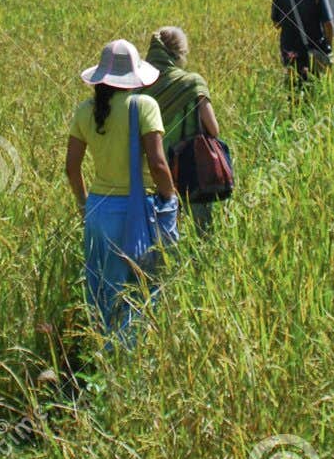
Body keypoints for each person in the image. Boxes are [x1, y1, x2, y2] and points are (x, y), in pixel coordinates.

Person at [65, 39, 178, 345]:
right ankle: (128, 359)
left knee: (103, 289)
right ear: (133, 77)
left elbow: (72, 167)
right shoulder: (144, 106)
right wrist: (170, 197)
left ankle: (99, 353)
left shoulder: (84, 111)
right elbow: (157, 164)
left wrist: (84, 204)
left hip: (98, 212)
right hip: (136, 211)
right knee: (141, 290)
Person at [144, 27, 221, 235]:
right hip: (191, 169)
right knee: (201, 234)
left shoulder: (140, 85)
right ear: (179, 54)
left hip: (150, 172)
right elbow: (213, 129)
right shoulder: (192, 83)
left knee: (162, 235)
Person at [270, 0, 334, 84]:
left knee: (293, 85)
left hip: (289, 48)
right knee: (316, 83)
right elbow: (328, 24)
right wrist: (328, 46)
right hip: (315, 47)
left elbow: (276, 24)